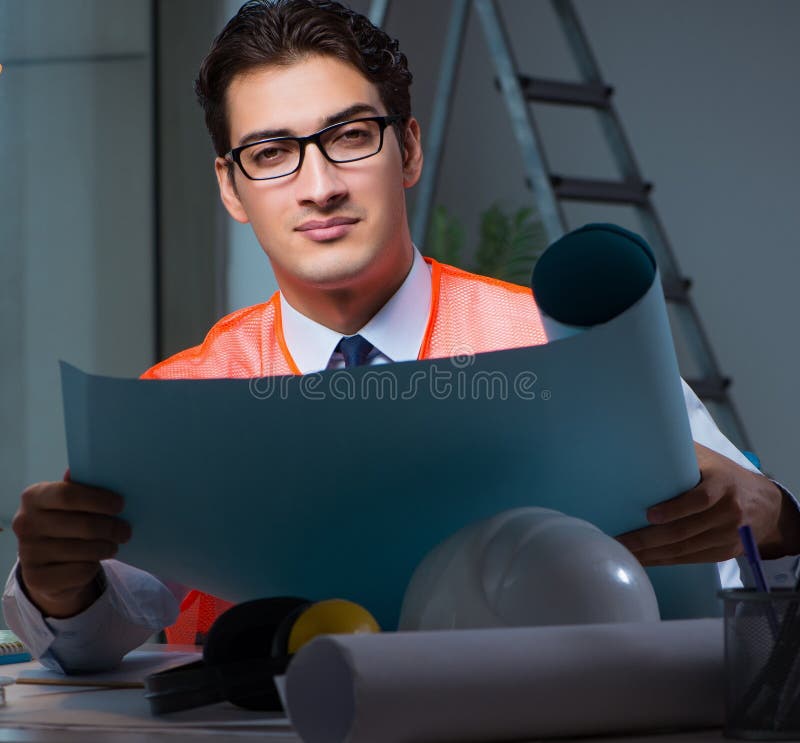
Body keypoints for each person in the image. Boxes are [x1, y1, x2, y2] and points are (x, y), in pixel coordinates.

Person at [4, 0, 799, 672]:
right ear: (232, 187)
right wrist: (55, 582)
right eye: (272, 153)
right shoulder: (182, 400)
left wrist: (774, 518)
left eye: (351, 136)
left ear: (407, 149)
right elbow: (93, 637)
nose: (319, 187)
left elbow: (756, 568)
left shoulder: (566, 346)